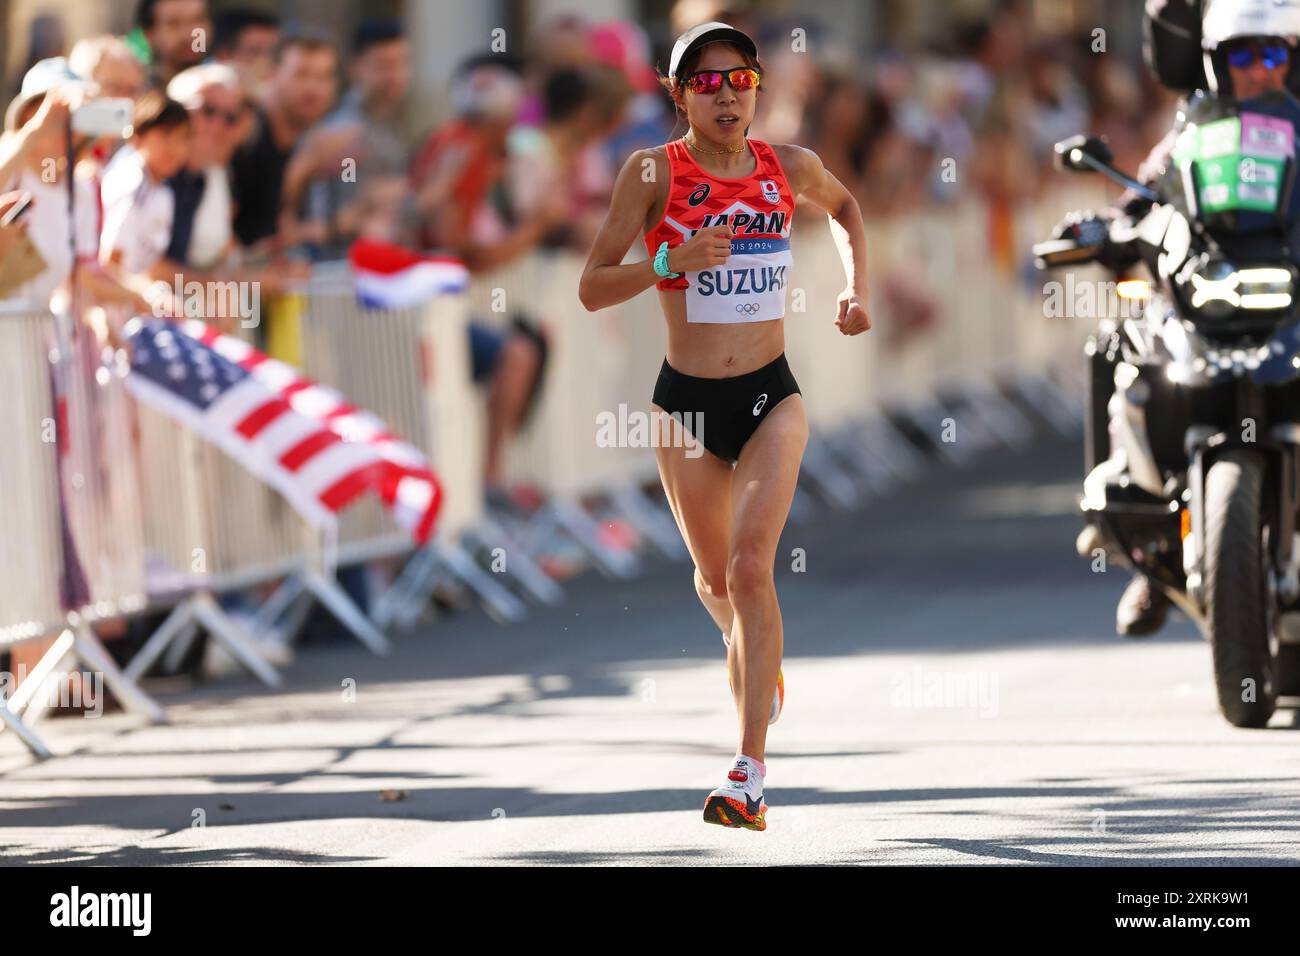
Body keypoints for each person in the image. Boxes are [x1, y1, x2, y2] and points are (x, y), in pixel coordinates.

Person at [578, 22, 870, 830]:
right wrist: (671, 263)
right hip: (685, 405)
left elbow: (845, 205)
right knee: (714, 584)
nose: (727, 94)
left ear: (758, 89)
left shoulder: (789, 167)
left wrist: (855, 288)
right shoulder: (650, 173)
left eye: (740, 79)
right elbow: (592, 286)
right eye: (706, 83)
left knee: (749, 571)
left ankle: (748, 775)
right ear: (679, 96)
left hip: (771, 397)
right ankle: (756, 665)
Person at [1098, 0, 1300, 637]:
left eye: (1274, 53)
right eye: (1244, 53)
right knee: (1121, 346)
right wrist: (1110, 228)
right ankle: (1146, 557)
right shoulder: (1186, 134)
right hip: (1203, 302)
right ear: (1217, 61)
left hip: (1289, 304)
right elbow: (1139, 199)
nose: (1260, 68)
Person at [229, 30, 338, 251]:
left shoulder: (310, 141)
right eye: (301, 74)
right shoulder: (243, 136)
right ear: (272, 73)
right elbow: (254, 242)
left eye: (323, 77)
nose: (313, 88)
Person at [136, 0, 211, 88]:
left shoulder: (227, 89)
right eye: (174, 23)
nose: (188, 33)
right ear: (149, 34)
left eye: (197, 20)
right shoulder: (134, 93)